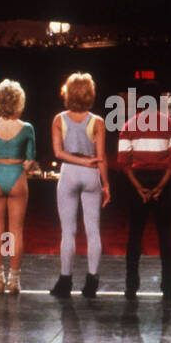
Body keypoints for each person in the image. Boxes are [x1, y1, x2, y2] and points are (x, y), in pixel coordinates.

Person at [117, 80, 171, 300]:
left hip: (138, 182)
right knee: (165, 235)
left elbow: (123, 162)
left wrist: (139, 189)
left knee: (134, 235)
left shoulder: (128, 126)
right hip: (163, 182)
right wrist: (160, 187)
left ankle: (130, 287)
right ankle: (167, 288)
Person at [50, 72, 110, 298]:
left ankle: (65, 281)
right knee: (93, 230)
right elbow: (100, 157)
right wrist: (106, 185)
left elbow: (59, 153)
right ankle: (92, 282)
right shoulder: (97, 122)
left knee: (68, 231)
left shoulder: (58, 119)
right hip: (91, 173)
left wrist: (80, 160)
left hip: (69, 173)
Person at [0, 79, 37, 294]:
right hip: (17, 177)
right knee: (14, 231)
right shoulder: (27, 128)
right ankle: (14, 281)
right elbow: (30, 159)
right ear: (18, 101)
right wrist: (17, 172)